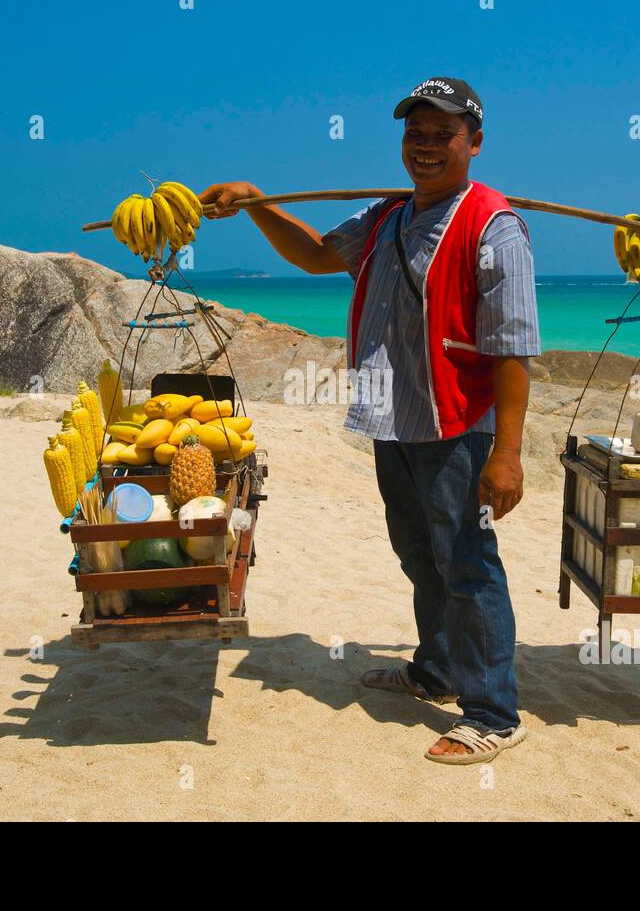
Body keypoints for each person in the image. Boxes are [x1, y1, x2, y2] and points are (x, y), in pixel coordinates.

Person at [199, 77, 540, 764]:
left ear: (474, 142)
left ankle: (494, 711)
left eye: (443, 132)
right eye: (415, 131)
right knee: (421, 556)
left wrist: (508, 452)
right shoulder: (386, 218)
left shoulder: (493, 227)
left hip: (458, 427)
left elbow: (514, 346)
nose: (426, 144)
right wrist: (257, 203)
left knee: (469, 566)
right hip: (396, 421)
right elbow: (317, 254)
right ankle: (437, 669)